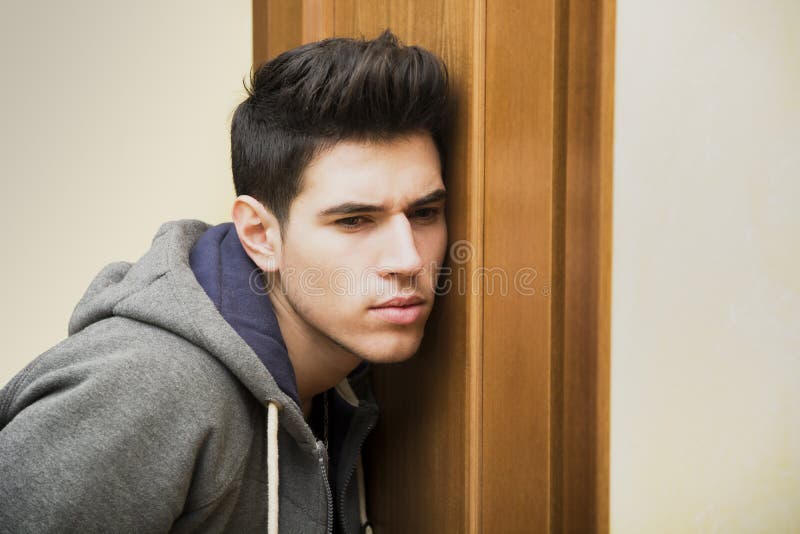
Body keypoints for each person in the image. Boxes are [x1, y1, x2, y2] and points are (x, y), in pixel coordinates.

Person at [0, 30, 449, 533]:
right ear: (260, 235)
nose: (408, 259)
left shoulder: (341, 380)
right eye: (354, 221)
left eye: (425, 212)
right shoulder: (148, 390)